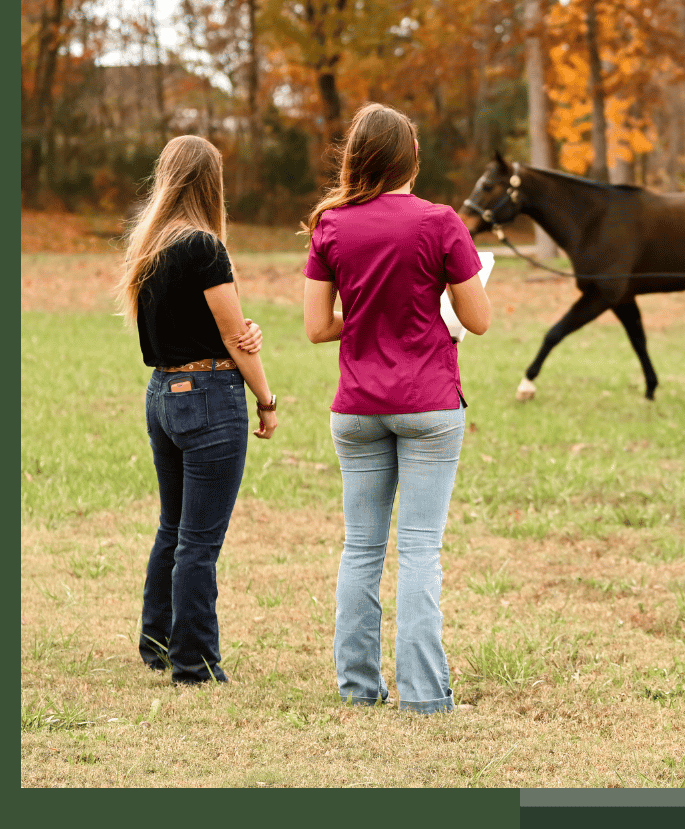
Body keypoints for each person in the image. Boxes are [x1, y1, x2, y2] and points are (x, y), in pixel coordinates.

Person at [302, 103, 490, 714]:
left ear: (357, 156)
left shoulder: (330, 225)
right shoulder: (440, 222)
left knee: (360, 548)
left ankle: (358, 687)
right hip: (429, 402)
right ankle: (425, 694)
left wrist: (368, 312)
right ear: (411, 159)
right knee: (418, 550)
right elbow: (478, 320)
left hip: (356, 405)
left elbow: (315, 328)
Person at [114, 135, 278, 684]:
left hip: (162, 394)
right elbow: (234, 334)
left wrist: (239, 333)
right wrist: (266, 397)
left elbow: (197, 325)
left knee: (173, 529)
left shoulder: (150, 245)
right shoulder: (204, 246)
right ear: (211, 182)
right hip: (209, 397)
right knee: (200, 542)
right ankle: (195, 662)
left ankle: (157, 644)